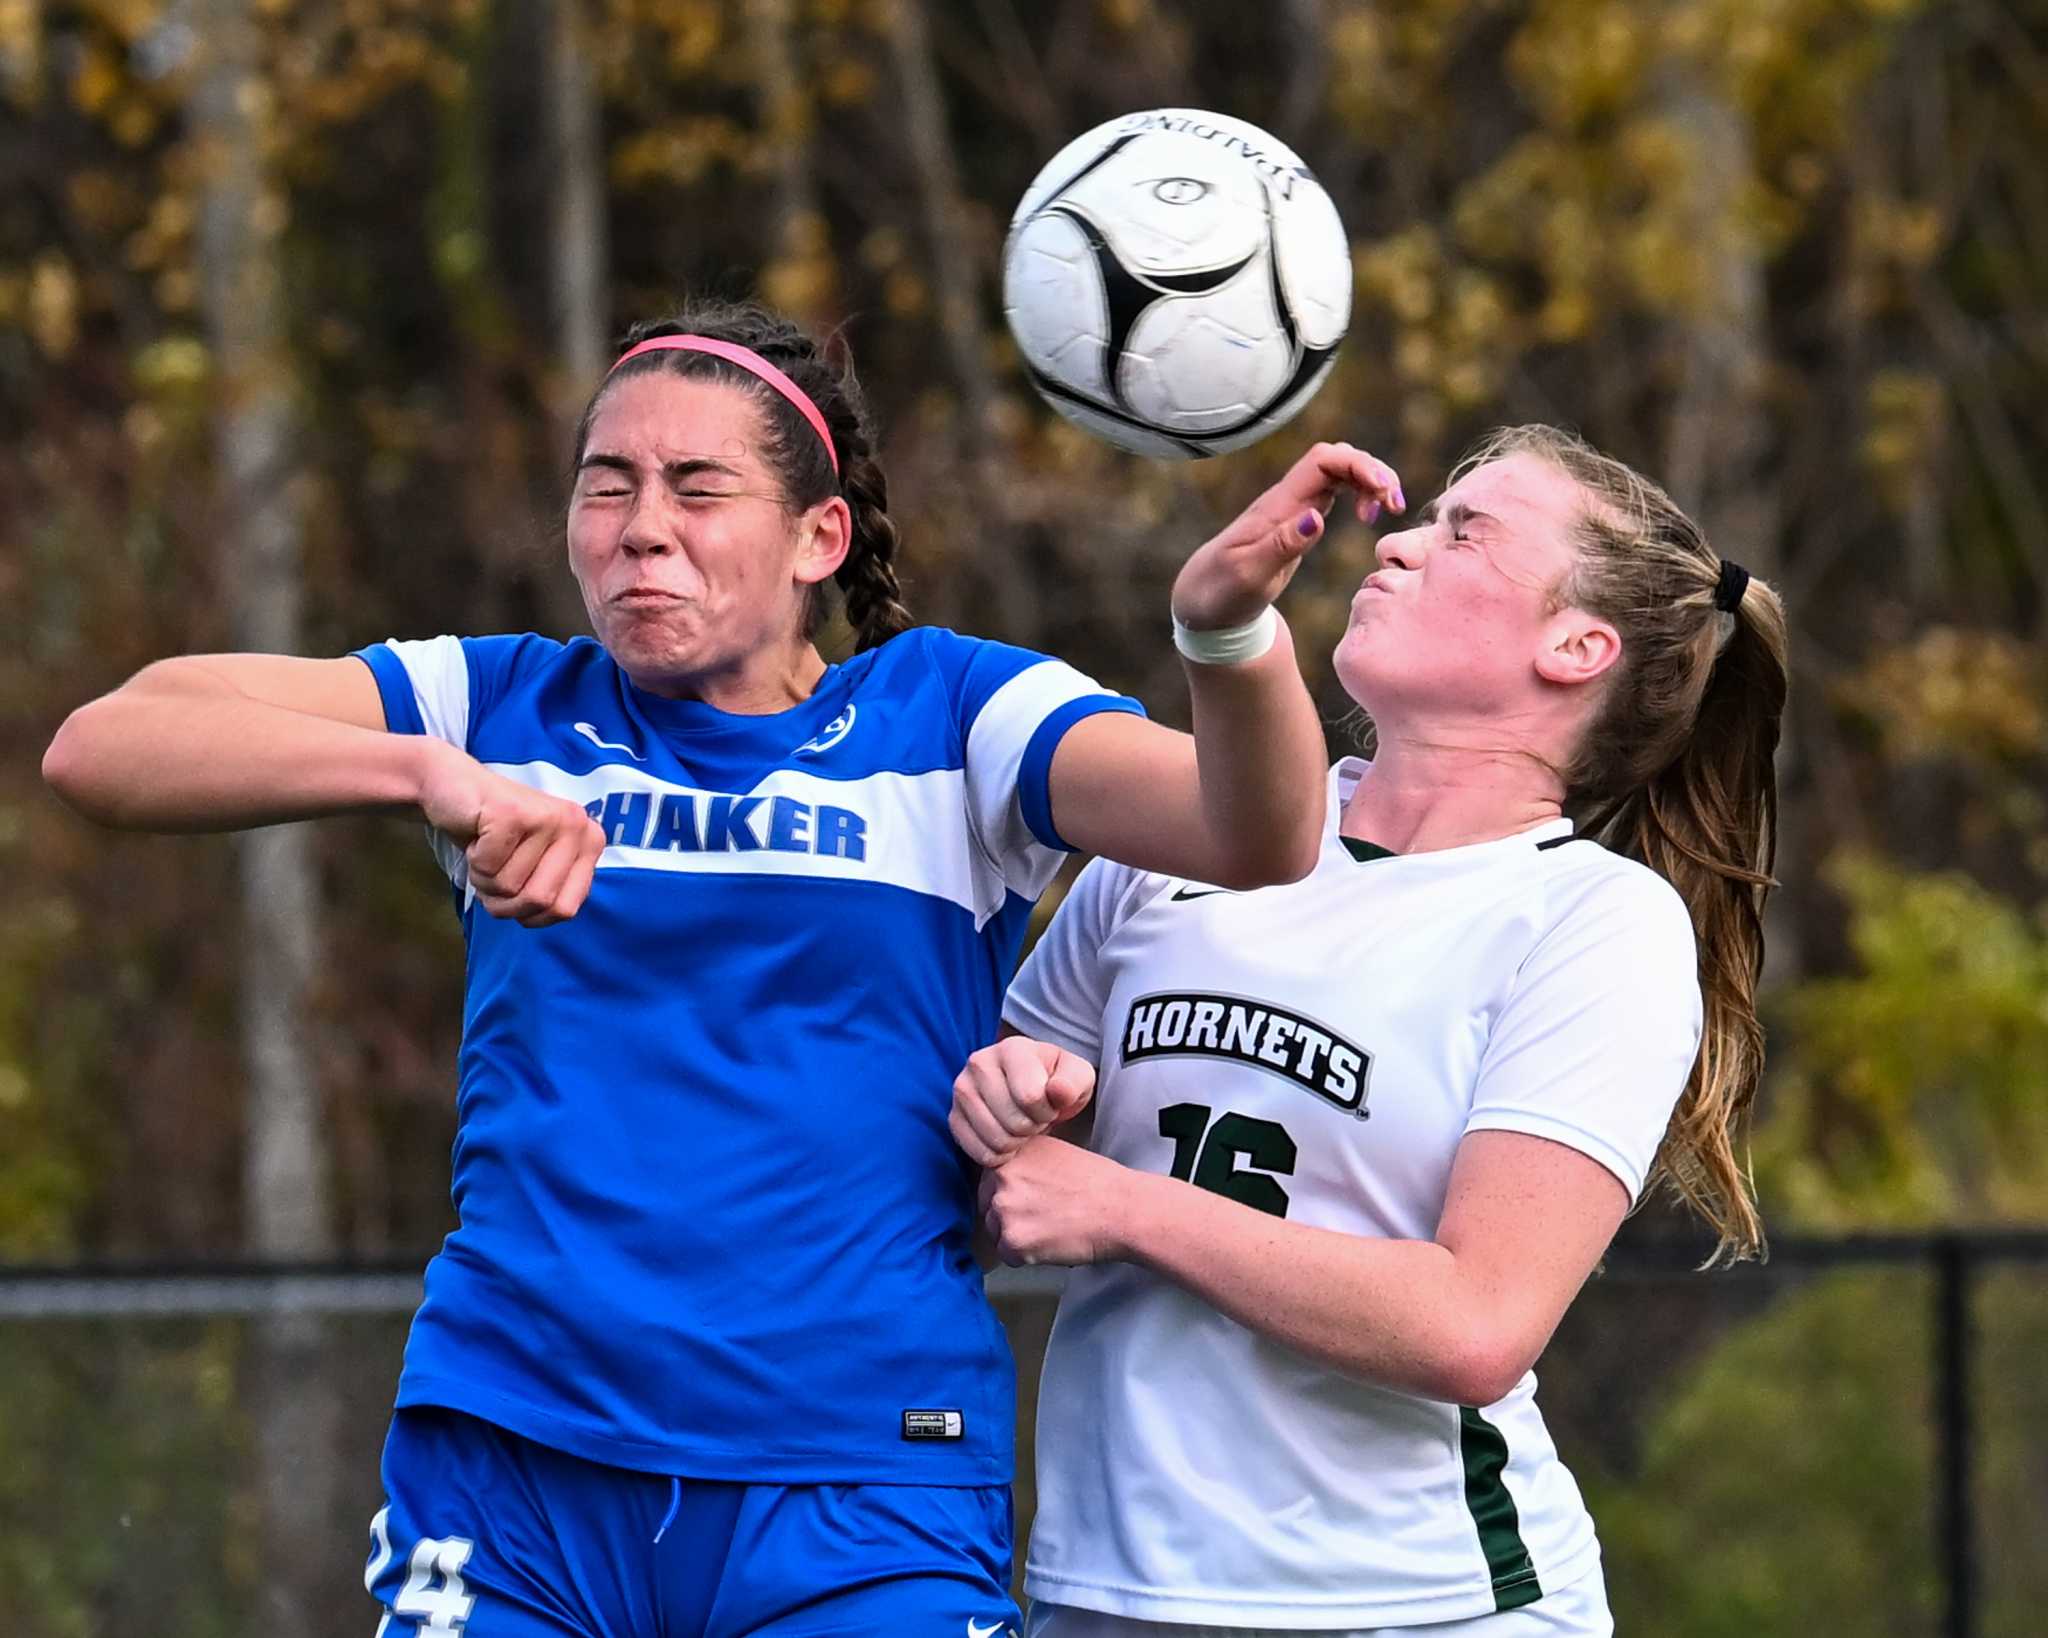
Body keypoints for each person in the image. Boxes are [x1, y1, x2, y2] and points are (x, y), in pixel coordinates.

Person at [40, 298, 1407, 1637]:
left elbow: (1260, 834)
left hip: (862, 1477)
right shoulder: (505, 704)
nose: (642, 525)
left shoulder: (951, 713)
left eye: (698, 487)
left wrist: (1226, 637)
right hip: (515, 1460)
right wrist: (420, 773)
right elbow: (108, 741)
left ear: (818, 536)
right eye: (607, 486)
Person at [952, 423, 1788, 1638]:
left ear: (1575, 646)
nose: (1397, 543)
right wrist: (1010, 1098)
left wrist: (1122, 1204)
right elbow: (1000, 1181)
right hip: (1108, 1583)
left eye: (1466, 531)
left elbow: (1474, 1326)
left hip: (1421, 1603)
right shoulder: (1181, 837)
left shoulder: (1590, 920)